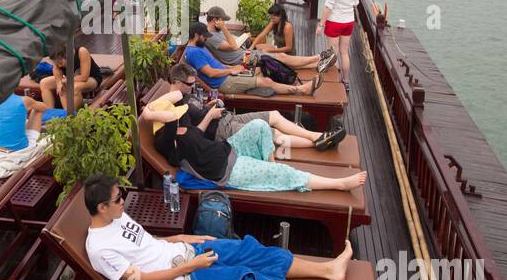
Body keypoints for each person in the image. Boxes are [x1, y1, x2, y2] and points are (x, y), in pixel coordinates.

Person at [83, 174, 372, 280]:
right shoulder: (100, 249)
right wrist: (188, 267)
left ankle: (328, 270)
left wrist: (183, 237)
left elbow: (147, 242)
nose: (123, 201)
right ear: (101, 208)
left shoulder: (116, 216)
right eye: (118, 198)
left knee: (250, 250)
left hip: (186, 251)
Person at [141, 96, 366, 194]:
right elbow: (154, 117)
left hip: (229, 149)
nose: (179, 113)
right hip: (226, 171)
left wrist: (209, 114)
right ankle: (339, 184)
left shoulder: (183, 125)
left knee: (259, 125)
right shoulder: (165, 140)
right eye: (173, 113)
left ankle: (269, 162)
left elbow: (191, 121)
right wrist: (149, 111)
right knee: (284, 172)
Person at [163, 62, 345, 151]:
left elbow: (198, 111)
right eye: (190, 84)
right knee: (269, 132)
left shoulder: (184, 93)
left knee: (274, 115)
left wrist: (210, 106)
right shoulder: (172, 107)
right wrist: (210, 115)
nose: (193, 87)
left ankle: (318, 136)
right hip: (220, 130)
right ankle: (317, 143)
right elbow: (193, 137)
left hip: (226, 117)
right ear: (177, 82)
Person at [182, 22, 319, 97]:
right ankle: (302, 90)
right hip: (225, 82)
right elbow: (210, 73)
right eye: (204, 36)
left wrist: (231, 68)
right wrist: (230, 72)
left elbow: (215, 65)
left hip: (227, 75)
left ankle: (256, 87)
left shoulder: (197, 48)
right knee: (267, 81)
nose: (206, 38)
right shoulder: (194, 52)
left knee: (261, 68)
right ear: (196, 35)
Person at [202, 5, 333, 73]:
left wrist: (250, 46)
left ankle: (319, 61)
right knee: (281, 58)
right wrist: (225, 29)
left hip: (245, 55)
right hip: (243, 59)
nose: (224, 23)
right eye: (223, 21)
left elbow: (234, 43)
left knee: (282, 57)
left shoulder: (287, 27)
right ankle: (319, 57)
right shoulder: (212, 36)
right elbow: (234, 46)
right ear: (215, 20)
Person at [249, 4, 336, 72]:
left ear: (280, 16)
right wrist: (251, 48)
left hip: (288, 53)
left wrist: (270, 50)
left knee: (293, 66)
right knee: (258, 47)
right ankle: (321, 62)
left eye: (273, 18)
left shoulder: (287, 27)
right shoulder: (273, 23)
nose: (271, 19)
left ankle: (319, 57)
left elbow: (288, 48)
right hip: (278, 50)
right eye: (271, 17)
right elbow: (261, 35)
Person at [319, 0, 359, 91]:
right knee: (344, 52)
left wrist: (321, 24)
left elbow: (328, 7)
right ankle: (346, 81)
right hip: (349, 22)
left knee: (333, 53)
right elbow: (356, 3)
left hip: (334, 22)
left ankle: (335, 82)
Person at [39, 44, 96, 110]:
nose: (59, 66)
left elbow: (84, 77)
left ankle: (73, 114)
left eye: (60, 63)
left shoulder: (81, 51)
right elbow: (56, 69)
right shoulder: (58, 61)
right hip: (70, 78)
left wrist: (67, 80)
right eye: (57, 63)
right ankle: (52, 112)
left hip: (91, 78)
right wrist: (58, 83)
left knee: (74, 87)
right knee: (44, 83)